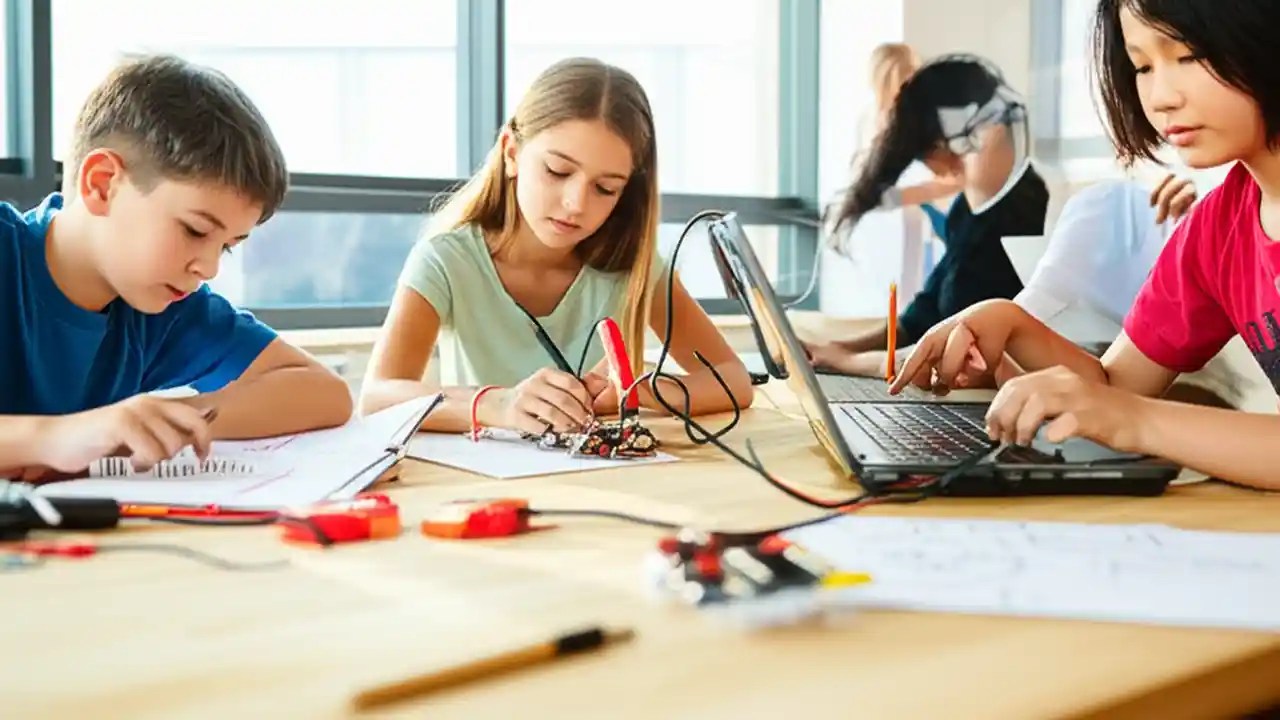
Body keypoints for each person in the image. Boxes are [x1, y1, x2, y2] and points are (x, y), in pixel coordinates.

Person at [891, 0, 1280, 491]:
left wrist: (1135, 419)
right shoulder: (1217, 229)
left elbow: (1123, 410)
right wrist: (1011, 323)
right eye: (1142, 65)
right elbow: (1116, 388)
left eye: (1189, 55)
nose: (1160, 97)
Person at [0, 55, 353, 478]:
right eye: (194, 230)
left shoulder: (164, 305)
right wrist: (57, 438)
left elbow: (325, 393)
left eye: (227, 247)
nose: (208, 269)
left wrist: (176, 419)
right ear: (102, 183)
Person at [359, 58, 752, 434]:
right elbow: (377, 398)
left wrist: (639, 390)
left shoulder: (634, 269)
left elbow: (734, 381)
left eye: (605, 188)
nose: (576, 204)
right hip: (488, 487)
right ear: (511, 153)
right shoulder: (447, 260)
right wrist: (498, 405)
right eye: (557, 171)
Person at [807, 55, 1049, 379]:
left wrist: (847, 362)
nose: (941, 166)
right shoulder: (967, 210)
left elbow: (962, 358)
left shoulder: (1030, 211)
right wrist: (837, 348)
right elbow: (920, 319)